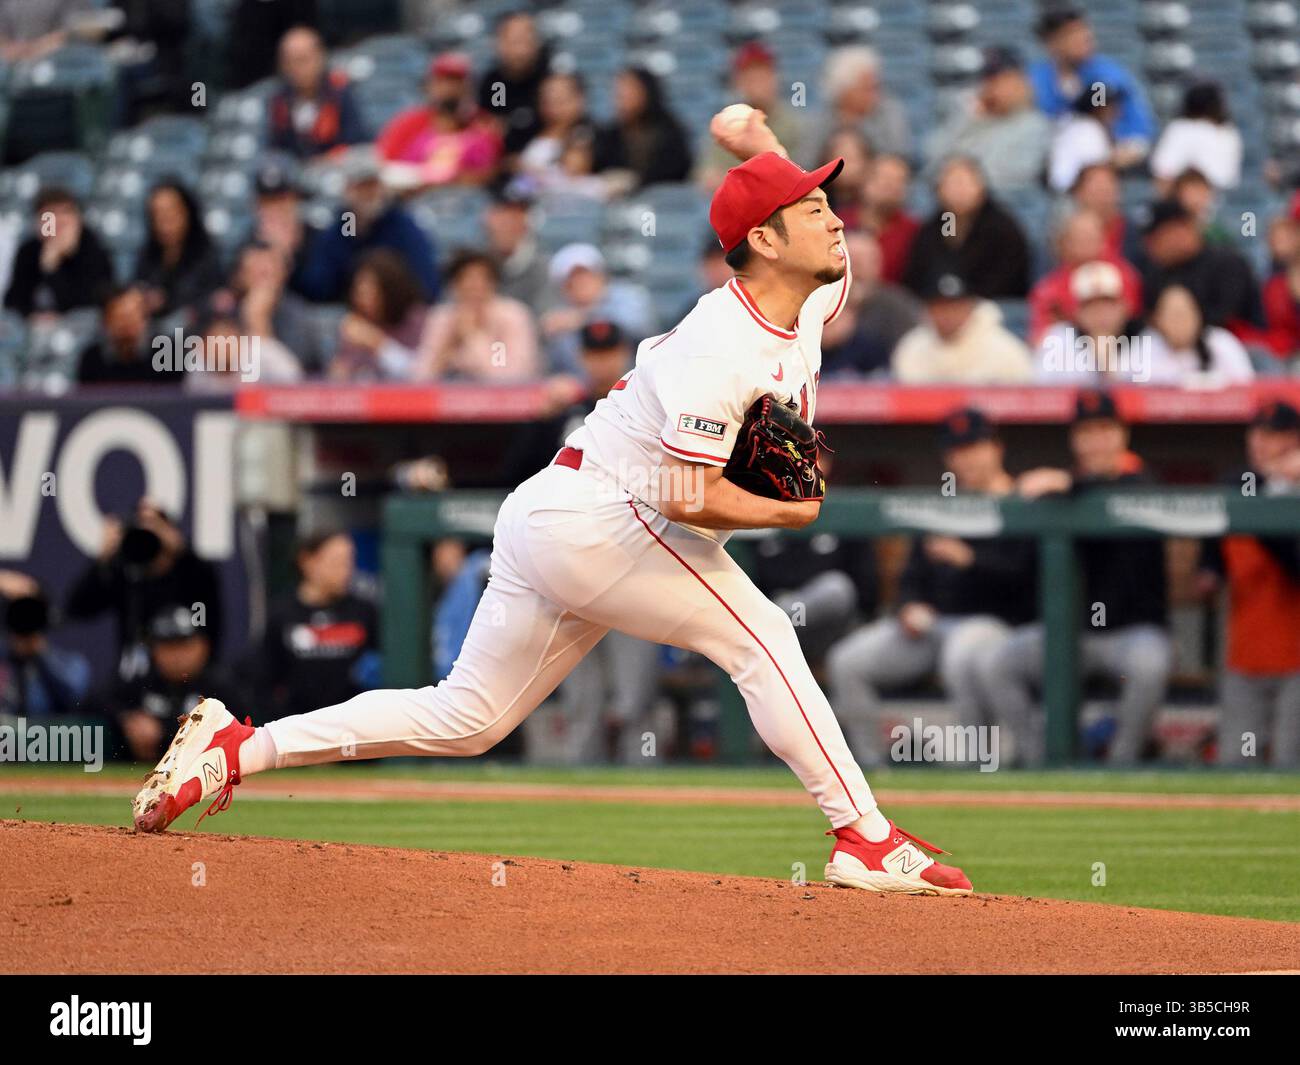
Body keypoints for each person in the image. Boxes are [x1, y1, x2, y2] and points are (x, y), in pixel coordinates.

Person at [131, 106, 973, 899]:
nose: (835, 219)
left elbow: (799, 222)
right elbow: (687, 496)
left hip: (560, 511)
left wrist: (757, 139)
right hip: (607, 519)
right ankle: (862, 834)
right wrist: (788, 513)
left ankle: (239, 746)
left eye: (828, 201)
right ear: (763, 238)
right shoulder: (717, 350)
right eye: (812, 206)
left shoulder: (814, 285)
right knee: (762, 634)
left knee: (467, 718)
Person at [827, 409, 1035, 764]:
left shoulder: (1021, 502)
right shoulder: (944, 503)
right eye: (957, 450)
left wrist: (970, 560)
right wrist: (908, 606)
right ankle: (872, 770)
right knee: (847, 661)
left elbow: (1028, 581)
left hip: (994, 624)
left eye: (974, 446)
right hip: (931, 626)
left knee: (961, 653)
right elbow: (912, 576)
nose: (965, 457)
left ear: (996, 448)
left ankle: (978, 764)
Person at [984, 391, 1172, 765]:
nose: (1095, 441)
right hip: (1074, 634)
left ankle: (1121, 765)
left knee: (1150, 663)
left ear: (1122, 435)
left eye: (1104, 430)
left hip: (1131, 633)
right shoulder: (1064, 489)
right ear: (1074, 439)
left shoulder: (1141, 482)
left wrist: (1068, 485)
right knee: (998, 663)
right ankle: (1041, 761)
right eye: (1086, 432)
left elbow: (1122, 494)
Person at [1197, 400, 1300, 768]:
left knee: (1290, 766)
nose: (1260, 443)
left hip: (1296, 660)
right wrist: (1208, 571)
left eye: (1273, 436)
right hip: (1245, 656)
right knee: (1236, 763)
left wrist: (1280, 491)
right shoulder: (1238, 484)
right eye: (1256, 433)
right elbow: (1211, 555)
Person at [65, 498, 223, 684]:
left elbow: (210, 618)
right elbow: (77, 608)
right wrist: (102, 560)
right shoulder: (126, 574)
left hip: (187, 681)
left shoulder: (191, 573)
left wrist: (183, 552)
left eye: (156, 527)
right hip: (135, 683)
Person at [260, 531, 379, 724]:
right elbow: (265, 677)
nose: (346, 570)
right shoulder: (281, 613)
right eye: (336, 562)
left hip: (353, 732)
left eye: (349, 561)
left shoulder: (365, 611)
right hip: (299, 731)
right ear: (308, 562)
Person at [293, 148, 440, 304]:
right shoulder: (345, 225)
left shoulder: (400, 225)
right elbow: (318, 287)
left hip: (397, 315)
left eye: (373, 185)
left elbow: (427, 285)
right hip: (348, 314)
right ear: (348, 189)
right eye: (362, 186)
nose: (369, 193)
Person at [107, 605, 243, 762]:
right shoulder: (143, 682)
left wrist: (163, 734)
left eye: (184, 645)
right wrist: (128, 719)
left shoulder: (221, 686)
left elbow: (241, 732)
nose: (177, 656)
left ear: (203, 647)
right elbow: (97, 703)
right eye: (168, 646)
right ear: (154, 650)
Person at [1029, 7, 1155, 166]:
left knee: (1085, 131)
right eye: (1072, 34)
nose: (1084, 38)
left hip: (1120, 143)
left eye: (1084, 31)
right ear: (1053, 42)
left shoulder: (1103, 75)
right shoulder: (1039, 77)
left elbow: (1101, 115)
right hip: (1057, 150)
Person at [902, 156, 1030, 299]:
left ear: (981, 187)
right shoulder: (943, 223)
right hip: (941, 306)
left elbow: (1009, 279)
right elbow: (923, 272)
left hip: (992, 305)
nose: (958, 191)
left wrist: (969, 302)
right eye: (951, 183)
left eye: (964, 183)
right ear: (939, 190)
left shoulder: (1001, 228)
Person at [925, 47, 1050, 192]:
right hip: (954, 203)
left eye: (1003, 78)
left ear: (1020, 81)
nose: (994, 86)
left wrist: (958, 175)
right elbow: (931, 158)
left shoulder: (1034, 125)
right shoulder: (972, 118)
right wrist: (969, 118)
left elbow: (1006, 178)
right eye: (989, 79)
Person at [377, 52, 503, 189]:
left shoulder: (483, 124)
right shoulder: (409, 123)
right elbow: (386, 167)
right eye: (442, 81)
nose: (448, 89)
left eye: (455, 82)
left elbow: (490, 171)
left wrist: (451, 177)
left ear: (468, 87)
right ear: (429, 85)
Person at [1139, 199, 1262, 338]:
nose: (1150, 247)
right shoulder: (1156, 273)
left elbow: (1226, 320)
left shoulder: (1227, 263)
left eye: (1158, 237)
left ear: (1182, 228)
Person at [411, 249, 540, 382]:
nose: (474, 287)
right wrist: (445, 348)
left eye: (482, 280)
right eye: (465, 280)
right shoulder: (442, 317)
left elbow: (504, 375)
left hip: (500, 399)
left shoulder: (509, 316)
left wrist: (472, 334)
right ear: (454, 286)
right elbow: (421, 377)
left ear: (493, 283)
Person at [694, 41, 803, 191]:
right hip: (738, 205)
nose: (757, 84)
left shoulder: (795, 124)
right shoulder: (727, 123)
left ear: (775, 79)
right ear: (738, 82)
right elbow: (708, 177)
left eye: (762, 76)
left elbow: (803, 172)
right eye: (750, 78)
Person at [893, 271, 1032, 383]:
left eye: (955, 307)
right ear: (928, 309)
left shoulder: (1006, 349)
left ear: (970, 307)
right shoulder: (911, 347)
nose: (947, 315)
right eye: (939, 307)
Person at [1028, 209, 1142, 345]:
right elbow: (1040, 338)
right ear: (1063, 243)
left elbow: (1136, 325)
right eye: (1080, 237)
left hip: (1124, 350)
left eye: (1092, 236)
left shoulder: (1124, 276)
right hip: (1069, 354)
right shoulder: (1047, 290)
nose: (1087, 243)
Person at [539, 242, 653, 376]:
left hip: (635, 381)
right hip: (585, 391)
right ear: (563, 287)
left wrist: (583, 317)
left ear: (601, 277)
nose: (581, 283)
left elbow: (638, 324)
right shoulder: (559, 318)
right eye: (573, 279)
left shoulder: (628, 296)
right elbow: (559, 367)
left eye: (586, 275)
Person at [821, 230, 920, 378]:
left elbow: (912, 350)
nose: (857, 268)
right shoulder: (819, 302)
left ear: (878, 265)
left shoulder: (897, 305)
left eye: (865, 260)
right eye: (851, 259)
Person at [4, 187, 113, 318]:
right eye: (50, 215)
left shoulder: (93, 250)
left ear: (78, 219)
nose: (59, 222)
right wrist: (31, 315)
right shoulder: (29, 251)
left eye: (66, 213)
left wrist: (52, 268)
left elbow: (89, 304)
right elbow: (14, 301)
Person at [1034, 261, 1146, 384]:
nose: (1101, 314)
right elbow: (1041, 391)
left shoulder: (1146, 338)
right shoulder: (1058, 338)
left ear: (1124, 307)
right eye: (1091, 306)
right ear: (1077, 312)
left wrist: (1109, 367)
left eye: (1108, 304)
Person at [0, 571, 91, 719]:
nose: (24, 619)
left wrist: (39, 653)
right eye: (18, 612)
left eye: (30, 612)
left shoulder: (69, 664)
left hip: (46, 740)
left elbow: (75, 697)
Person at [330, 249, 428, 381]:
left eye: (371, 293)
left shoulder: (417, 319)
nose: (363, 300)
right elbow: (342, 373)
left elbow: (419, 374)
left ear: (390, 291)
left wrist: (378, 344)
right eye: (359, 293)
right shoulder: (354, 324)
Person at [266, 25, 363, 160]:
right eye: (289, 62)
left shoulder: (339, 93)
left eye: (303, 60)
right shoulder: (279, 100)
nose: (297, 68)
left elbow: (356, 145)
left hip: (335, 173)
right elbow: (275, 149)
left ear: (319, 57)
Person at [133, 180, 224, 318]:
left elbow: (212, 302)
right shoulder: (147, 257)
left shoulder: (207, 256)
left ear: (187, 212)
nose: (164, 221)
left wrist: (167, 302)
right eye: (157, 214)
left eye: (171, 212)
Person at [592, 67, 693, 192]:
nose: (622, 99)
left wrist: (636, 182)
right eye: (619, 94)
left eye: (629, 92)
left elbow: (674, 172)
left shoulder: (670, 133)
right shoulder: (610, 135)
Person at [804, 45, 911, 162]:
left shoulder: (889, 112)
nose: (875, 95)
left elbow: (897, 157)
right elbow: (807, 160)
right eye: (866, 89)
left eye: (876, 87)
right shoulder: (822, 119)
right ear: (844, 91)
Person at [1142, 284, 1254, 386]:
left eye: (1184, 314)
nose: (1179, 322)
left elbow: (1246, 387)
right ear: (1157, 319)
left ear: (1198, 316)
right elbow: (1129, 385)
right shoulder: (1144, 345)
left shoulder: (1221, 342)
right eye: (1173, 315)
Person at [476, 9, 550, 158]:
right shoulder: (497, 84)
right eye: (514, 42)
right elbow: (494, 124)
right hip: (504, 164)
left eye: (526, 40)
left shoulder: (549, 81)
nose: (520, 51)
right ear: (500, 44)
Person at [1151, 81, 1242, 193]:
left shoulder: (1180, 128)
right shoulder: (1230, 132)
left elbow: (1162, 173)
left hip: (1212, 198)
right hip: (1188, 199)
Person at [516, 72, 599, 195]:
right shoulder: (527, 130)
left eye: (561, 99)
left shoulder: (588, 134)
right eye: (547, 99)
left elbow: (574, 170)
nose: (554, 106)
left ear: (579, 99)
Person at [77, 284, 176, 385]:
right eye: (120, 317)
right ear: (106, 322)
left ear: (145, 320)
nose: (126, 324)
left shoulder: (166, 353)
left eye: (132, 317)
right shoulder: (92, 359)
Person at [1047, 82, 1131, 193]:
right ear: (1098, 109)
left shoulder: (1079, 125)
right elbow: (1095, 171)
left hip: (1071, 192)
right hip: (1070, 195)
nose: (1117, 111)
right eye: (1111, 106)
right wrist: (1119, 161)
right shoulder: (1087, 130)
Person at [483, 174, 547, 308]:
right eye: (503, 214)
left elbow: (546, 315)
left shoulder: (541, 267)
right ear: (489, 218)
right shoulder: (474, 263)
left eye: (516, 216)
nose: (508, 224)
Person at [860, 153, 919, 285]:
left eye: (899, 181)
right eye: (884, 179)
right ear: (866, 181)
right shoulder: (838, 222)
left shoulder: (915, 232)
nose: (891, 187)